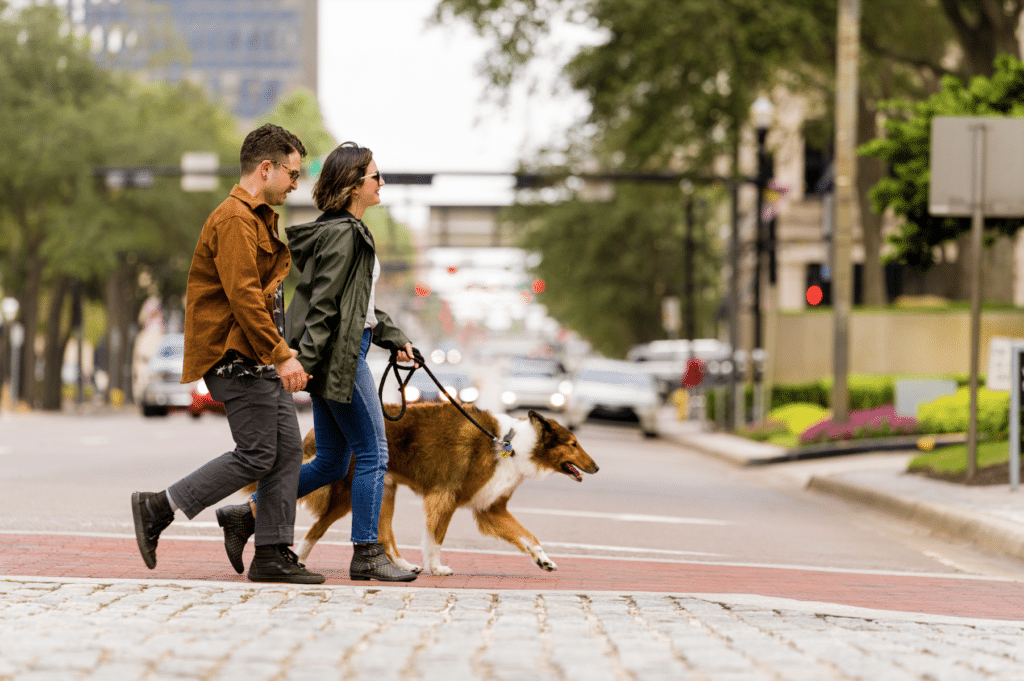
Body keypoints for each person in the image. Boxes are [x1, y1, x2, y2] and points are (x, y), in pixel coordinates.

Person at [216, 142, 418, 582]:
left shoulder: (332, 231)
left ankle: (246, 514)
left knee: (330, 460)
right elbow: (325, 307)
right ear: (352, 186)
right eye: (374, 177)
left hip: (339, 351)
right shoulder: (348, 234)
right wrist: (302, 362)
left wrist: (395, 338)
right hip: (342, 356)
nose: (381, 183)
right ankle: (367, 552)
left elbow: (355, 307)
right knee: (374, 453)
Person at [131, 124, 324, 584]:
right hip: (237, 358)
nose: (297, 183)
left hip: (257, 358)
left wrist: (277, 353)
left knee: (287, 455)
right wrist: (281, 354)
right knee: (259, 453)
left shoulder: (255, 217)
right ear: (266, 167)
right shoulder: (235, 220)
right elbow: (243, 297)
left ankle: (273, 553)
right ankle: (159, 506)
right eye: (292, 174)